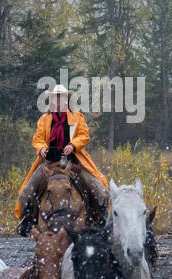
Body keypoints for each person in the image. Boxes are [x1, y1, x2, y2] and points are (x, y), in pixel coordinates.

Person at [14, 84, 109, 235]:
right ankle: (27, 220)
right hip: (49, 164)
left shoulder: (77, 117)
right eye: (55, 98)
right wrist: (42, 148)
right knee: (26, 191)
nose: (58, 101)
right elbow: (37, 138)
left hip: (73, 164)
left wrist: (73, 145)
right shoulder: (44, 119)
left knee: (100, 190)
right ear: (51, 100)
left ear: (67, 99)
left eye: (61, 97)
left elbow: (84, 135)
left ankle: (102, 219)